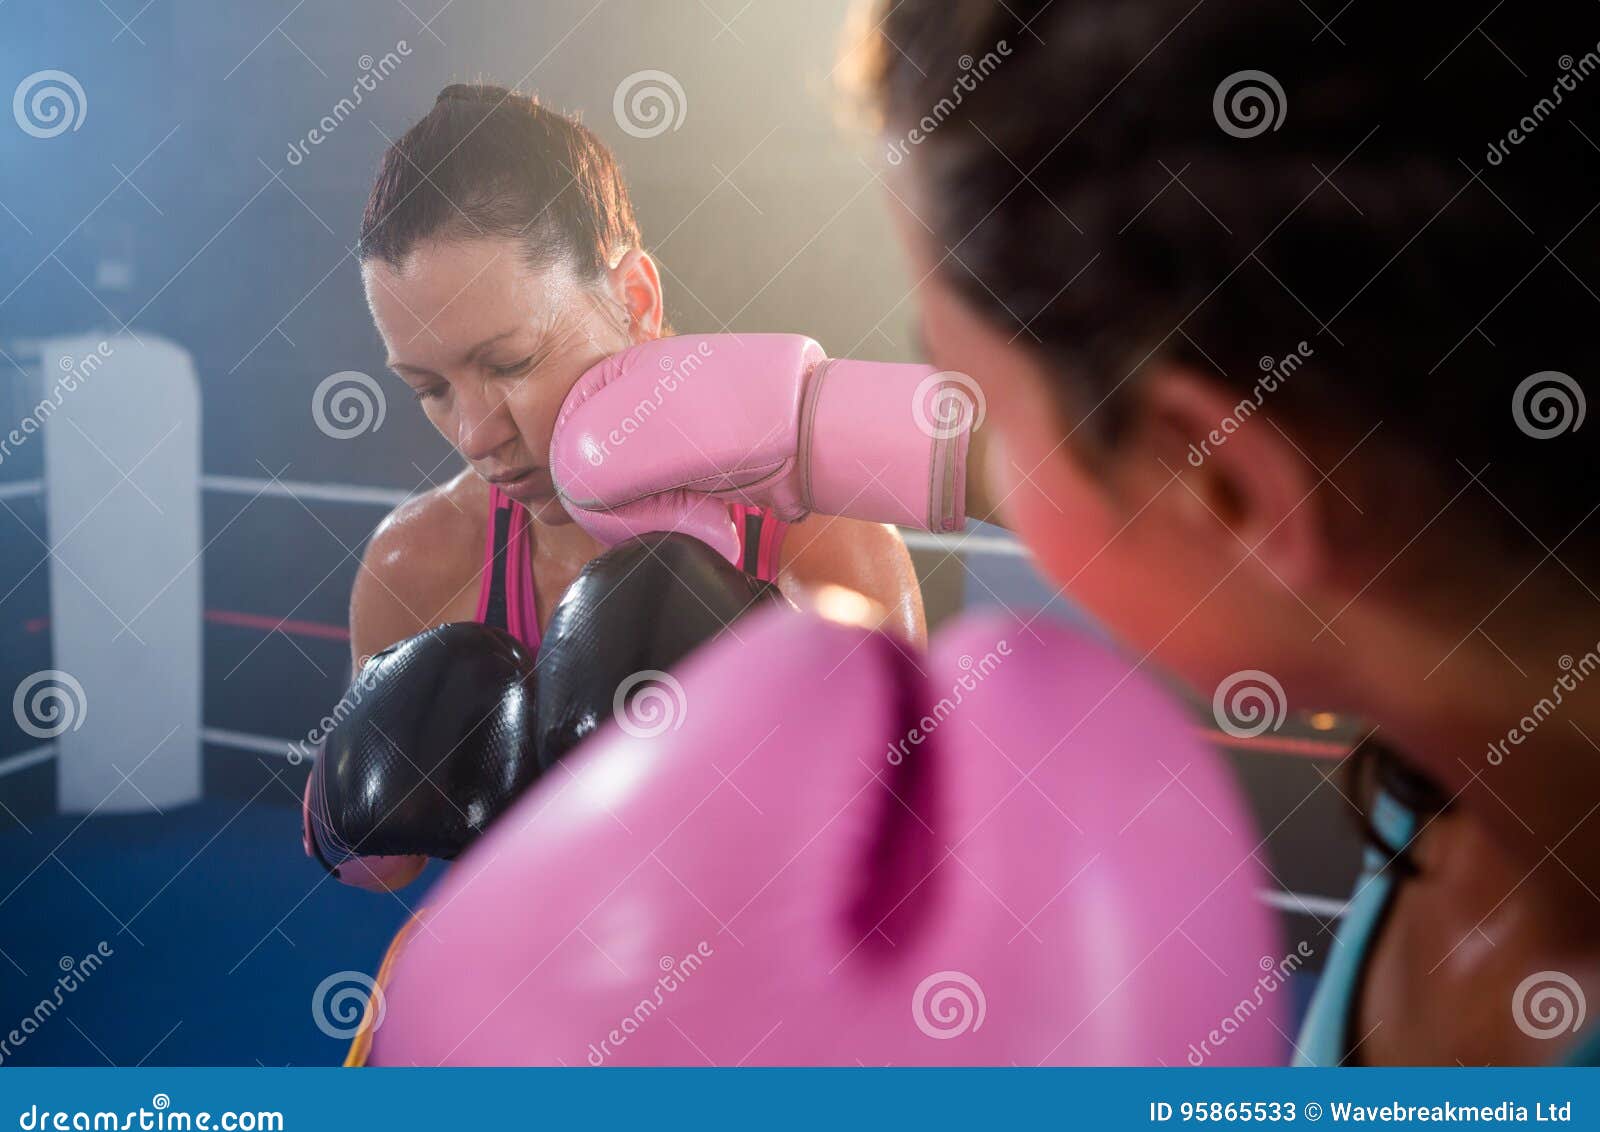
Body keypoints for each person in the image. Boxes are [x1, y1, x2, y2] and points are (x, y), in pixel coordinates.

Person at [543, 1, 1600, 1066]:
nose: (954, 421)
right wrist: (808, 428)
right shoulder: (1488, 737)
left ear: (1221, 484)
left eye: (979, 399)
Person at [350, 83, 927, 684]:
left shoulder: (820, 544)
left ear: (635, 300)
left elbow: (901, 773)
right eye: (430, 388)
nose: (475, 436)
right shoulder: (415, 567)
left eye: (508, 365)